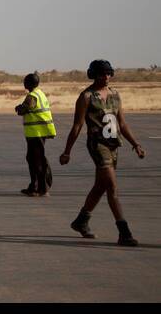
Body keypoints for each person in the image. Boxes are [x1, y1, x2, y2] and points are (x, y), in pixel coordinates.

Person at [59, 60, 145, 246]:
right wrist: (67, 151)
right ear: (93, 75)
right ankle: (124, 232)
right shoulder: (86, 97)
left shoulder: (115, 95)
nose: (106, 77)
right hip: (98, 146)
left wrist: (135, 144)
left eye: (108, 73)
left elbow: (122, 123)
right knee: (112, 187)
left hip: (114, 145)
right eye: (101, 74)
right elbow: (77, 125)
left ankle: (81, 221)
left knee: (100, 187)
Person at [15, 72, 55, 196]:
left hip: (36, 133)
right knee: (34, 159)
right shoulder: (40, 93)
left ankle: (40, 188)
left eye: (25, 82)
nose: (24, 84)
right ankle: (35, 186)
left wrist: (18, 108)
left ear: (30, 83)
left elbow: (23, 110)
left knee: (36, 160)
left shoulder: (32, 96)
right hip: (39, 132)